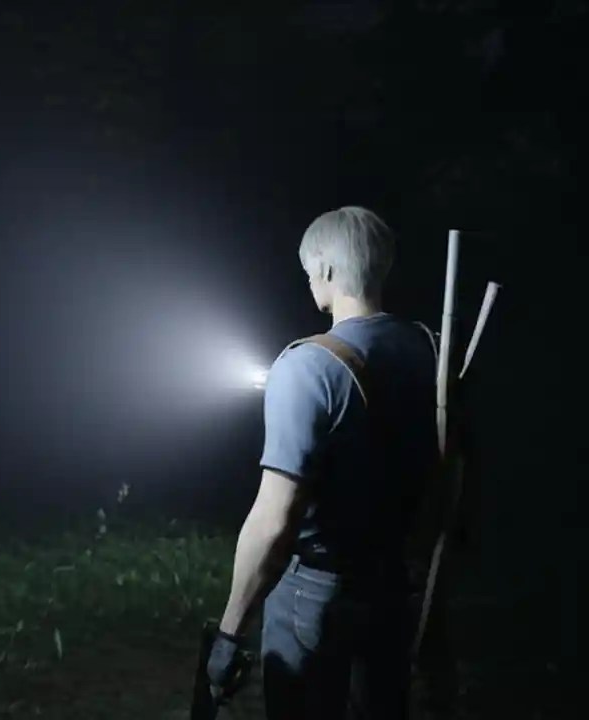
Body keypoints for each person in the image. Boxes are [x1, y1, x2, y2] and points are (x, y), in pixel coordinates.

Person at [207, 206, 439, 719]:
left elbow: (273, 522)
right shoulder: (433, 347)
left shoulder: (308, 366)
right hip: (395, 589)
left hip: (316, 595)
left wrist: (229, 630)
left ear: (329, 270)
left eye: (310, 270)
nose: (309, 280)